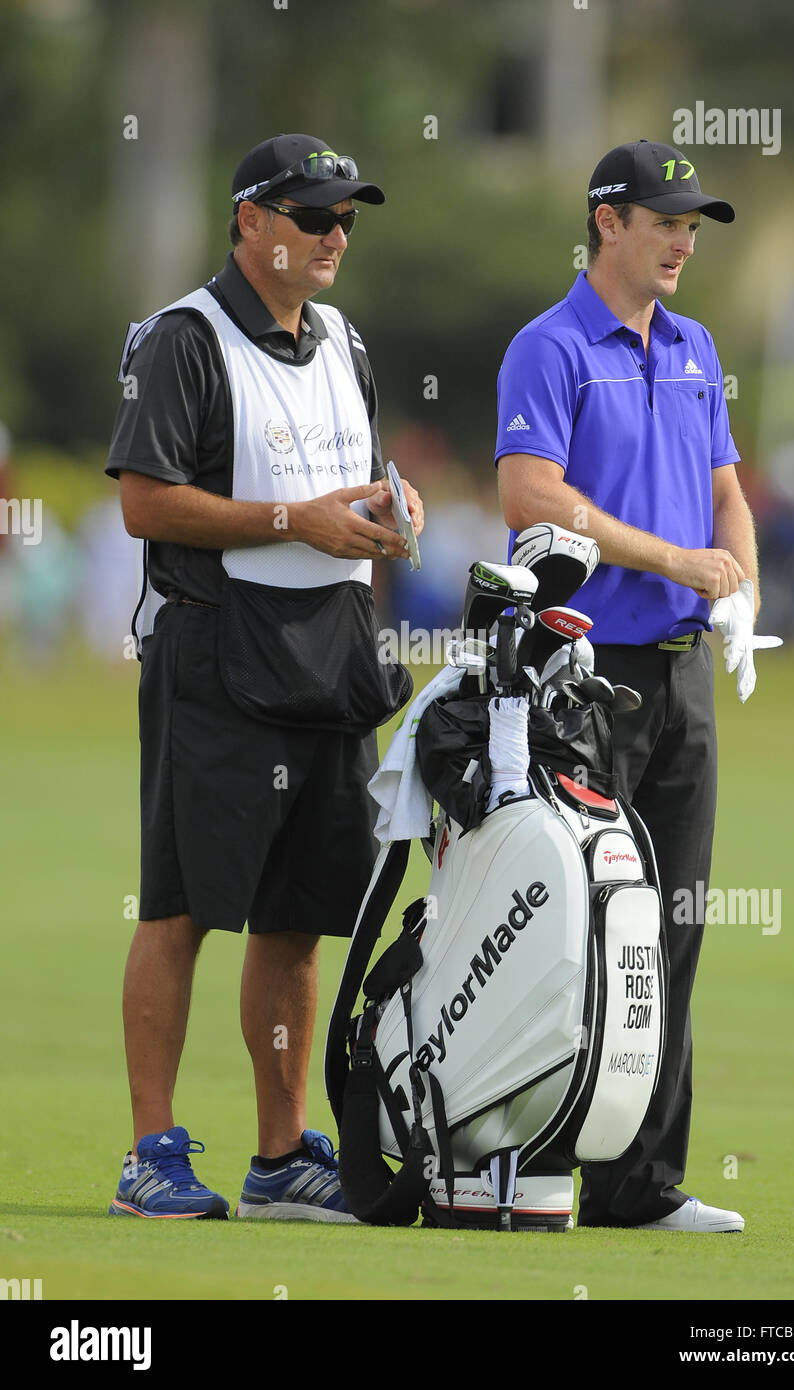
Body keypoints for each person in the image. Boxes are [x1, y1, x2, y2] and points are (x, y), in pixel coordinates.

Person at [105, 133, 423, 1222]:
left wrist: (390, 516)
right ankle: (152, 1153)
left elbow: (352, 483)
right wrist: (298, 519)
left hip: (331, 652)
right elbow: (145, 502)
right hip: (213, 648)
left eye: (348, 218)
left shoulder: (344, 338)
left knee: (298, 915)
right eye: (313, 215)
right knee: (184, 903)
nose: (336, 235)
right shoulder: (183, 339)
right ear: (249, 220)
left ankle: (282, 1154)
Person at [495, 140, 770, 1233]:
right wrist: (677, 561)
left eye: (694, 223)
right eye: (666, 219)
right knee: (576, 926)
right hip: (581, 671)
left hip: (680, 676)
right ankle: (541, 1161)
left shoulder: (697, 346)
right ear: (607, 221)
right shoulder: (550, 345)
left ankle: (641, 1185)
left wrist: (736, 584)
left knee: (671, 928)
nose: (684, 239)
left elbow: (726, 492)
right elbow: (530, 497)